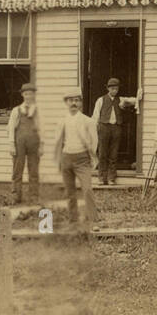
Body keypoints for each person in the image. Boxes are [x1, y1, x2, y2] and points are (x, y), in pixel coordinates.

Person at [52, 90, 98, 224]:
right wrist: (59, 160)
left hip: (82, 159)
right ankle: (73, 220)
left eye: (77, 100)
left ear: (80, 103)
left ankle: (93, 219)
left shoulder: (88, 121)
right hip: (66, 158)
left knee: (87, 189)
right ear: (66, 103)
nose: (74, 103)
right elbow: (58, 142)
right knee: (69, 191)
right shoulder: (62, 121)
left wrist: (92, 157)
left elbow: (94, 141)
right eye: (71, 100)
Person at [91, 78, 140, 186]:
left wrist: (139, 94)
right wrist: (95, 129)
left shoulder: (121, 100)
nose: (114, 91)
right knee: (102, 153)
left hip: (116, 128)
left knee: (113, 154)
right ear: (108, 88)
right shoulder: (101, 100)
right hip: (104, 127)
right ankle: (101, 178)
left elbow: (134, 100)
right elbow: (95, 116)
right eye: (112, 88)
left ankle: (111, 178)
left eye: (116, 89)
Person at [6, 82, 41, 204]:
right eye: (26, 94)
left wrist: (41, 145)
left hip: (34, 144)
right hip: (19, 143)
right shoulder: (17, 110)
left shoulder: (37, 111)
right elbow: (10, 128)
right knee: (17, 170)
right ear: (23, 95)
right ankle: (16, 196)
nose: (29, 96)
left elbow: (42, 129)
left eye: (31, 94)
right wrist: (11, 144)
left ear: (34, 95)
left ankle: (33, 196)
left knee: (34, 170)